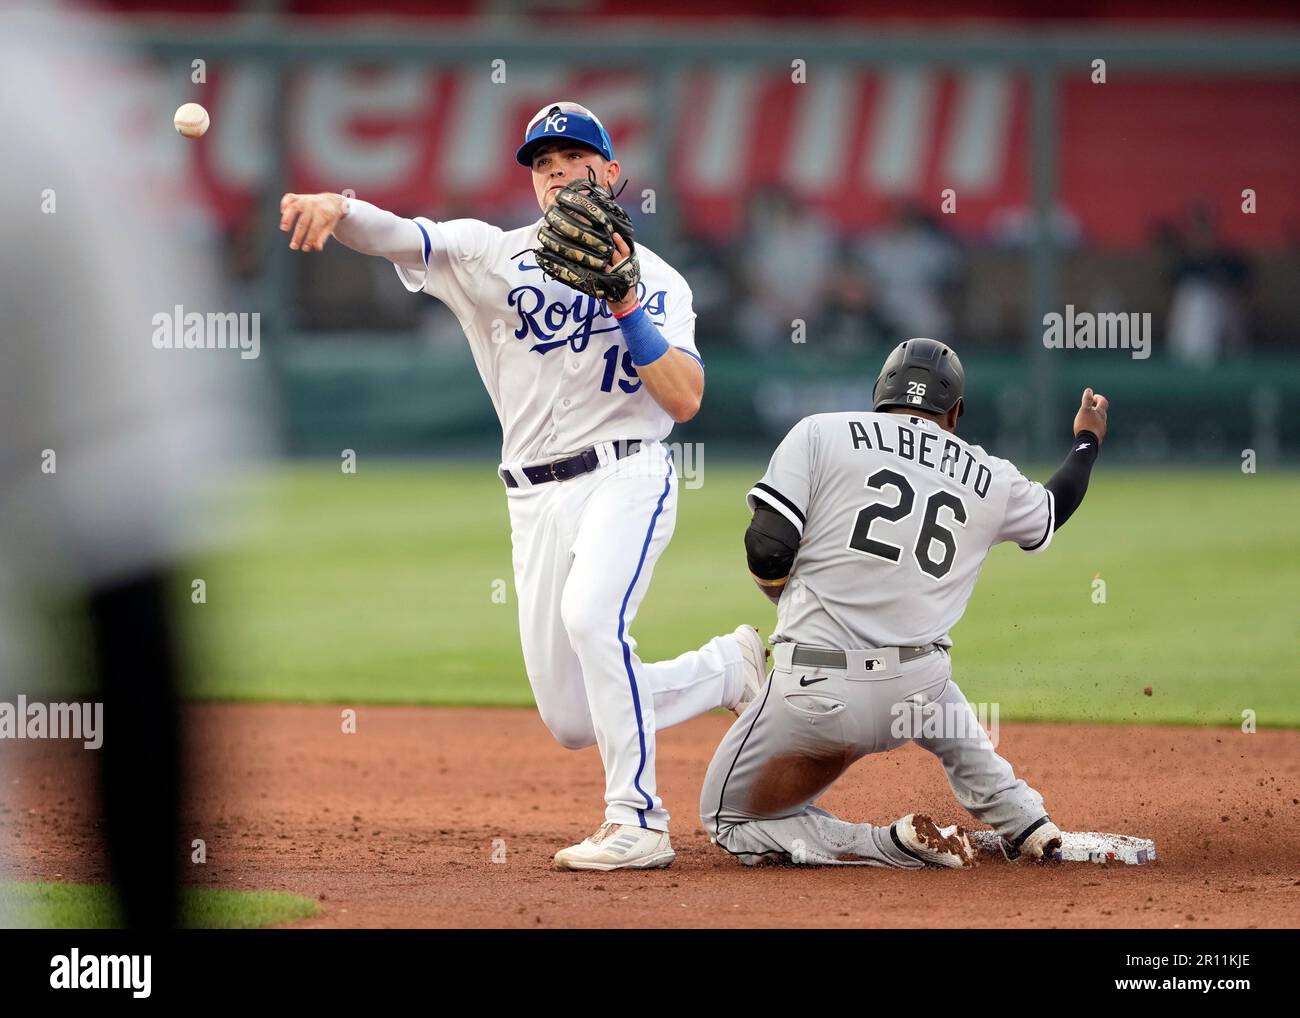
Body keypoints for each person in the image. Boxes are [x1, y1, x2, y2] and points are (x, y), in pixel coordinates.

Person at [279, 101, 765, 871]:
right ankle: (726, 671)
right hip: (532, 498)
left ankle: (637, 818)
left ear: (610, 172)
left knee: (592, 616)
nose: (556, 174)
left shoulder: (662, 282)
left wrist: (625, 301)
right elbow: (398, 234)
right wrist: (338, 206)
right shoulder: (488, 256)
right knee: (571, 718)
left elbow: (683, 398)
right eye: (542, 165)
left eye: (573, 159)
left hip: (627, 472)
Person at [700, 338, 1108, 868]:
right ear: (954, 413)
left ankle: (881, 844)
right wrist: (1086, 440)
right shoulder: (991, 476)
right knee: (930, 673)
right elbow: (1056, 504)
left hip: (818, 698)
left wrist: (785, 598)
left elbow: (768, 546)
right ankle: (1025, 818)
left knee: (727, 819)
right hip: (915, 694)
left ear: (879, 394)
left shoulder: (820, 432)